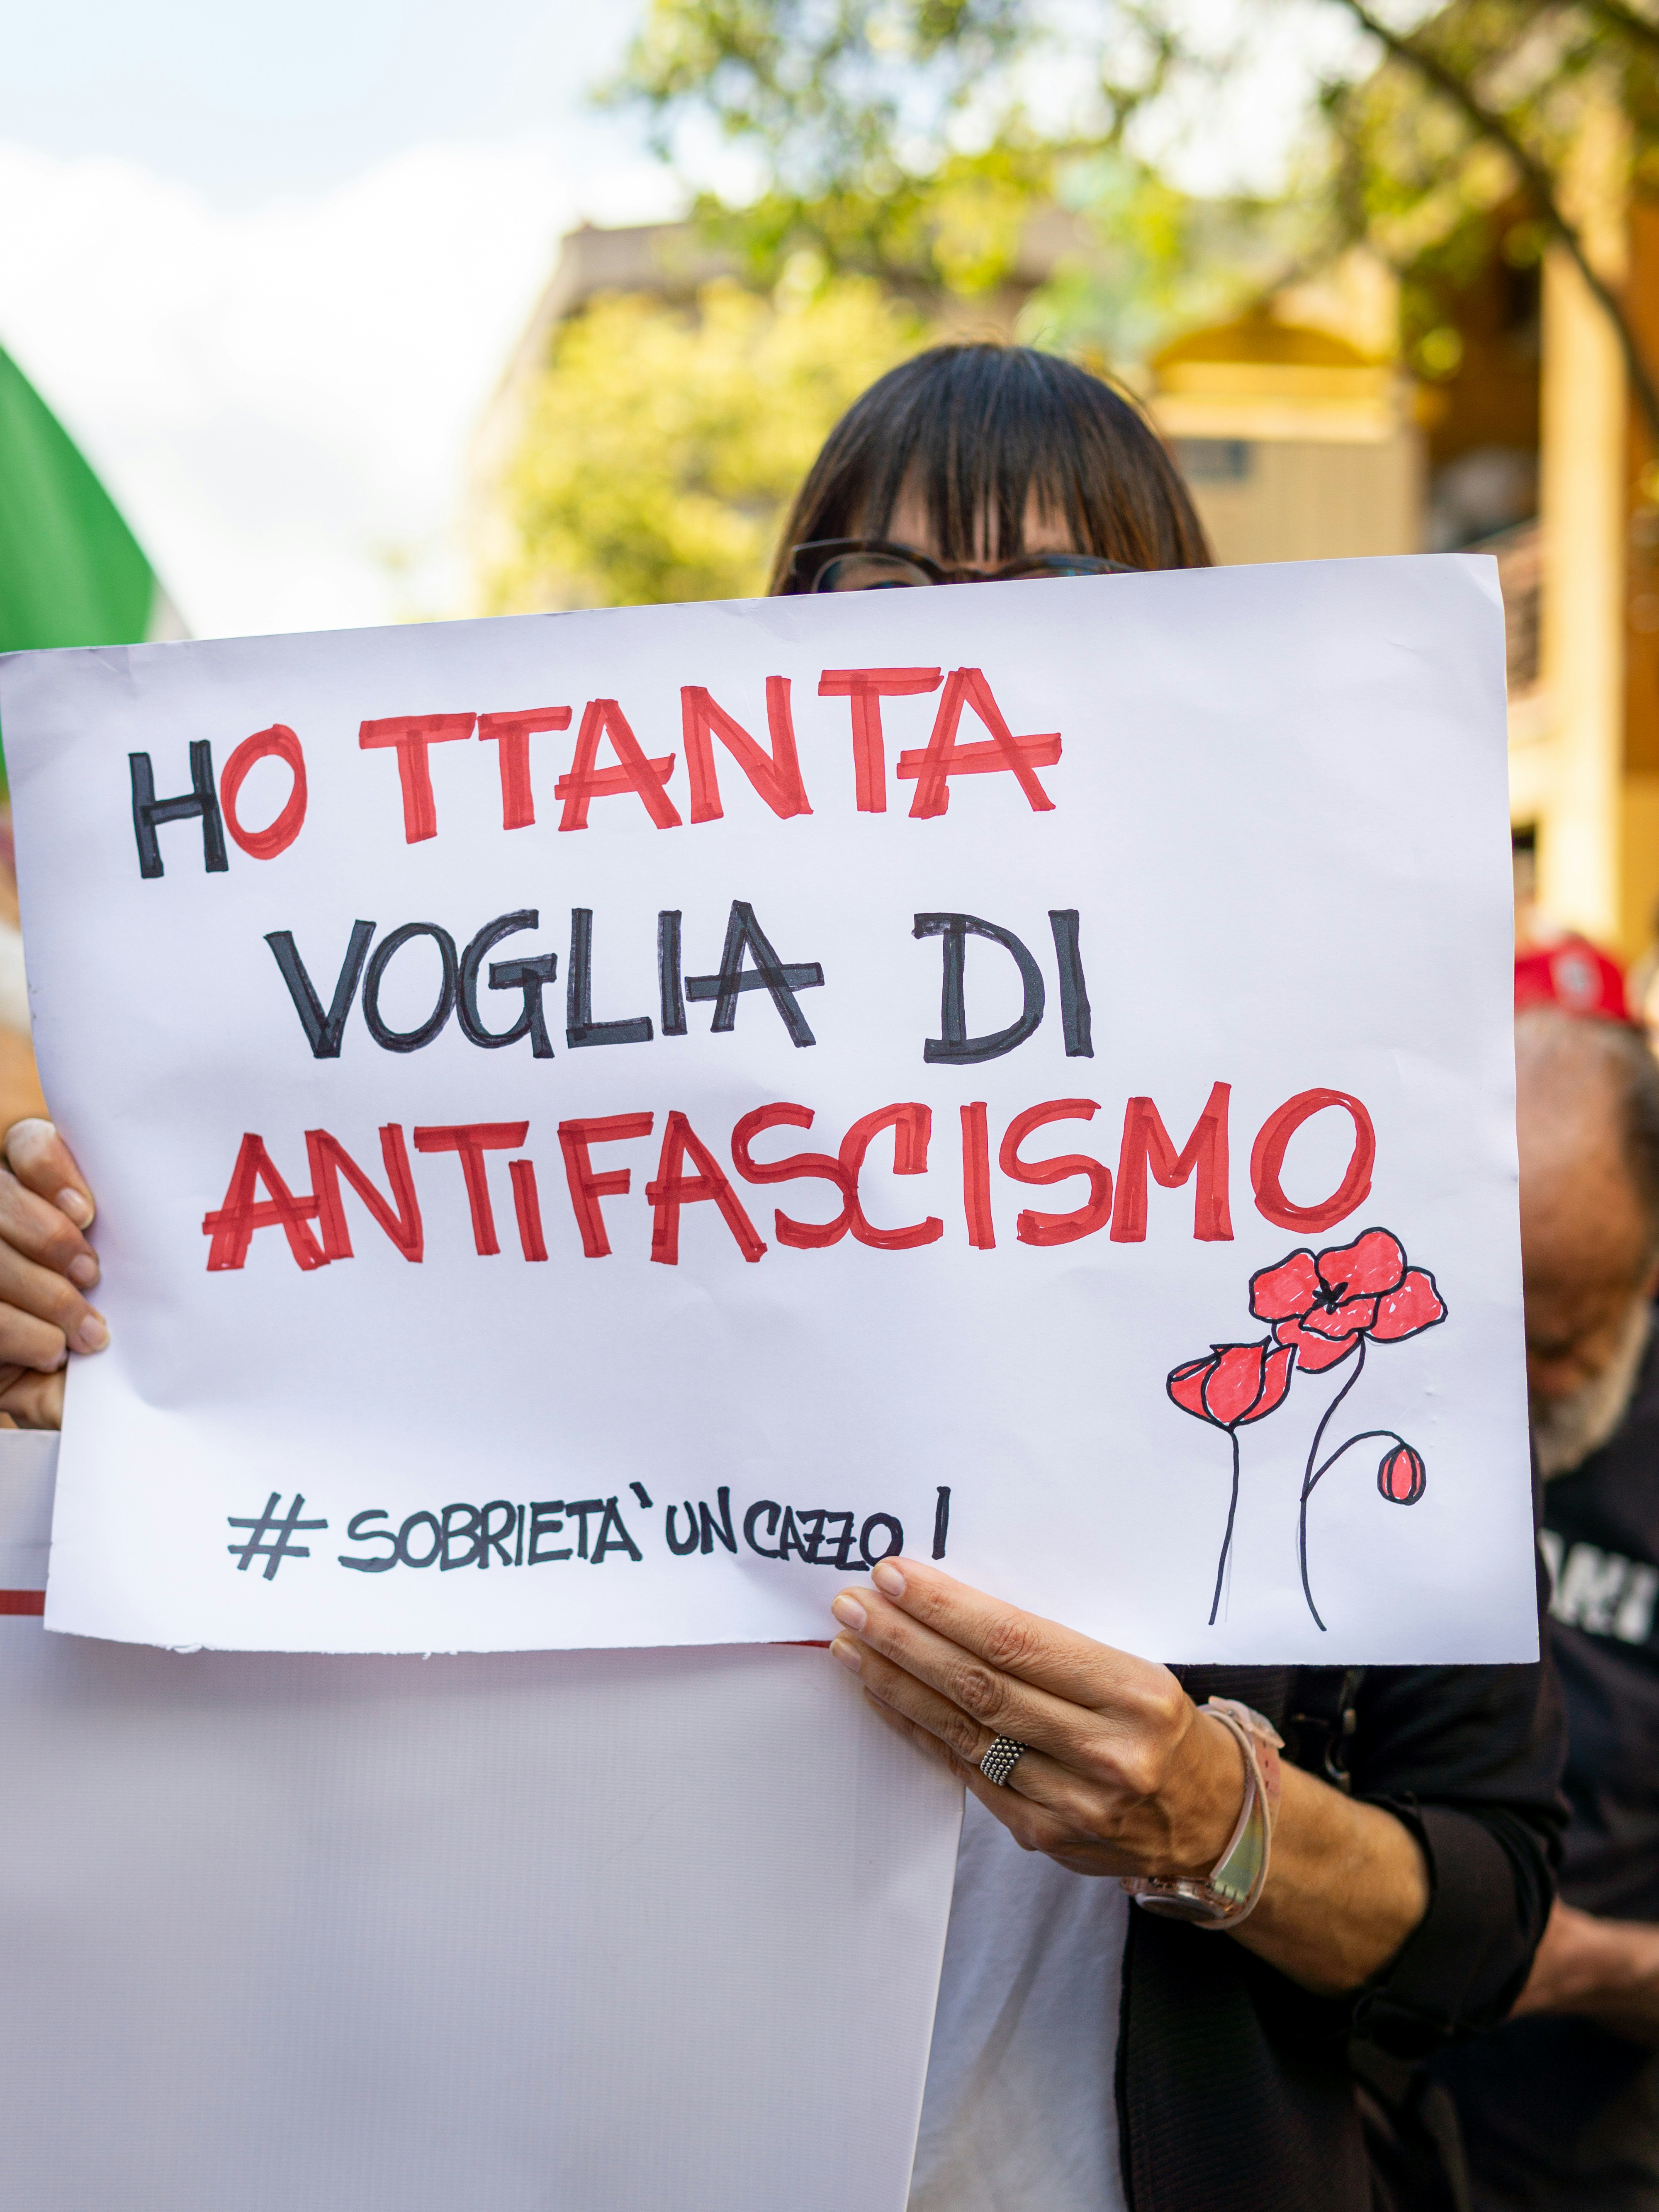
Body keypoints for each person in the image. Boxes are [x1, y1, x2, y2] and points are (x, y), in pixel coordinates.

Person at [0, 343, 1565, 2212]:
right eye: (880, 588)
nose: (959, 663)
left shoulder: (1334, 1210)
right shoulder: (532, 1134)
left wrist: (1214, 1823)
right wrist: (77, 1366)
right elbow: (277, 1619)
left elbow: (1484, 1913)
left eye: (1059, 596)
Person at [1430, 1006, 1659, 2208]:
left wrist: (1593, 1963)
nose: (1514, 1387)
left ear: (1648, 1267)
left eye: (1557, 1340)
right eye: (1487, 1319)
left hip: (1583, 2139)